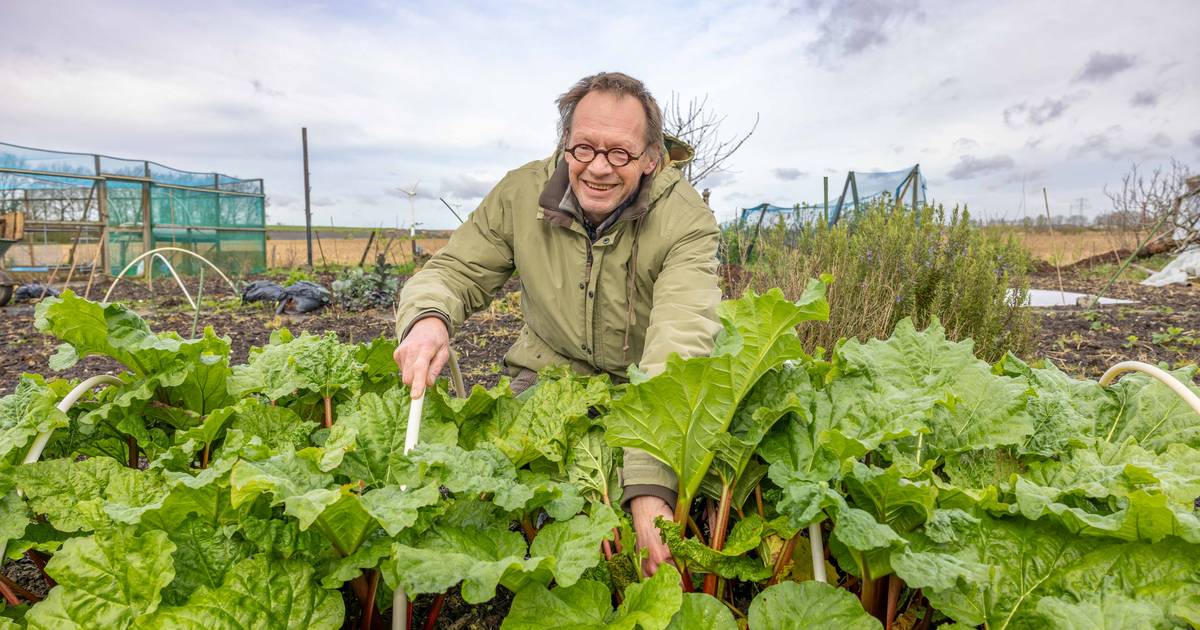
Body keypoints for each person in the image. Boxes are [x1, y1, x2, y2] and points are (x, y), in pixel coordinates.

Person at [393, 71, 722, 576]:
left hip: (644, 390)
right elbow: (455, 270)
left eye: (620, 154)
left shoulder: (685, 218)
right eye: (583, 148)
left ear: (652, 158)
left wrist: (652, 485)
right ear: (565, 143)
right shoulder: (520, 193)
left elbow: (678, 344)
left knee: (676, 517)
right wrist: (428, 318)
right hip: (548, 376)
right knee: (520, 510)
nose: (597, 169)